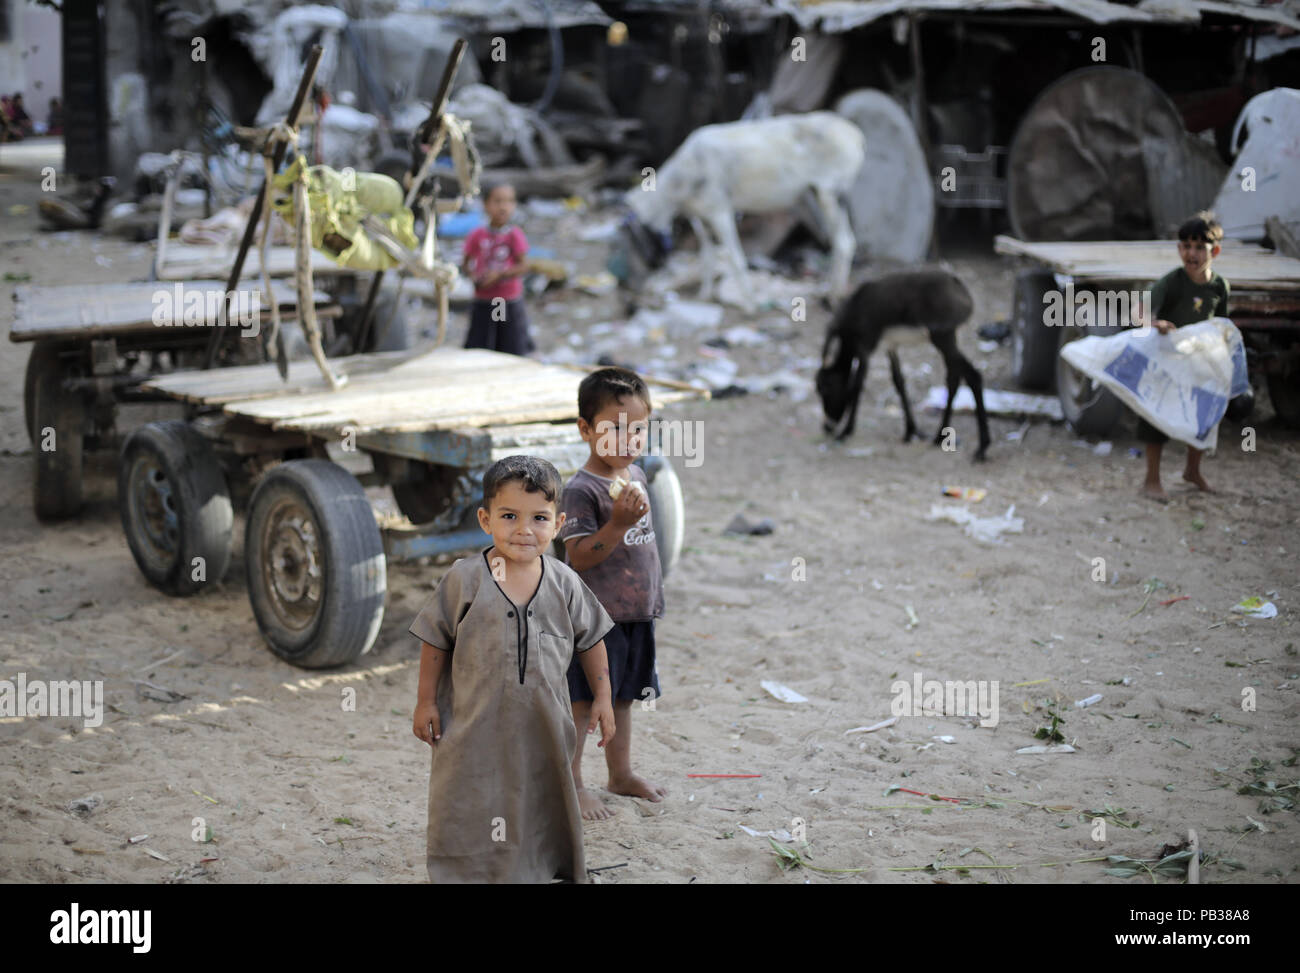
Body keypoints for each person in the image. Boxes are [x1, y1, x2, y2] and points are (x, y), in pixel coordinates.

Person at [410, 454, 616, 883]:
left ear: (558, 525)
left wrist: (603, 698)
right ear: (486, 520)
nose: (524, 530)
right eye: (509, 516)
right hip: (471, 722)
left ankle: (543, 868)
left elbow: (592, 641)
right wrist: (426, 701)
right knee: (468, 795)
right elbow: (435, 639)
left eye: (539, 518)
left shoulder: (564, 583)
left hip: (544, 722)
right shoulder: (464, 579)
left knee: (540, 795)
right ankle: (464, 872)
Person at [559, 367, 669, 820]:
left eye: (638, 429)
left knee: (622, 697)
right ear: (586, 429)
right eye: (614, 429)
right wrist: (618, 524)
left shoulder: (637, 474)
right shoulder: (580, 491)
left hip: (635, 613)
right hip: (595, 621)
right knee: (583, 703)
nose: (628, 440)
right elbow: (578, 558)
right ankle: (573, 782)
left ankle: (619, 774)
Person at [1134, 211, 1230, 501]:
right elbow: (1139, 310)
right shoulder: (1172, 282)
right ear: (1179, 250)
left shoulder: (1219, 287)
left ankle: (1193, 470)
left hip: (1198, 363)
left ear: (1214, 251)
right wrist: (1154, 324)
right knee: (1155, 416)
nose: (1192, 253)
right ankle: (1151, 479)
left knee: (1201, 415)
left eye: (1200, 247)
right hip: (1165, 360)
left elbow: (1222, 326)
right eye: (1186, 246)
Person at [461, 182, 534, 355]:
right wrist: (474, 277)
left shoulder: (513, 235)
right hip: (484, 300)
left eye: (509, 201)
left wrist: (500, 275)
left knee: (506, 343)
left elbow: (523, 265)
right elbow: (466, 262)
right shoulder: (478, 235)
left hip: (502, 301)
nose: (503, 207)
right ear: (486, 204)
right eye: (498, 201)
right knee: (481, 344)